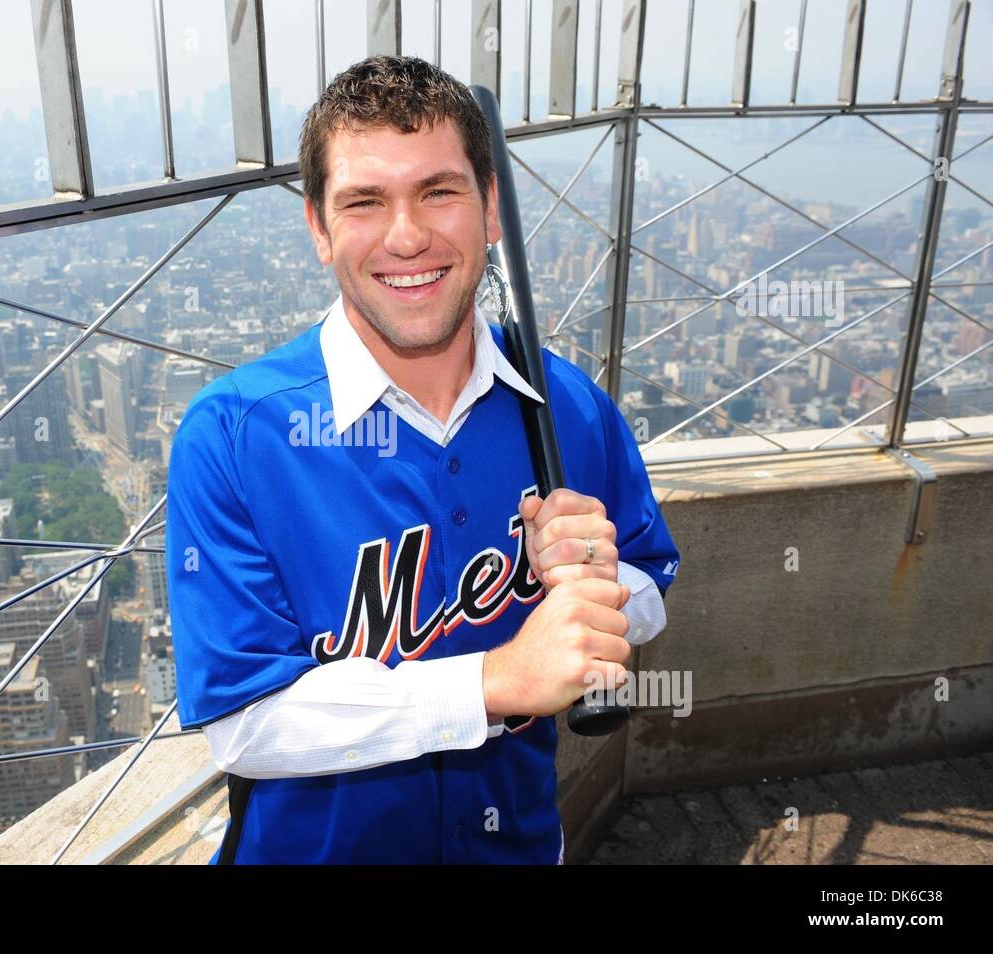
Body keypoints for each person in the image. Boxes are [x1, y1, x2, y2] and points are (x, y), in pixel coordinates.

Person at [165, 55, 679, 864]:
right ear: (318, 228)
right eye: (364, 202)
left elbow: (653, 582)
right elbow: (243, 723)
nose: (407, 236)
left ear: (490, 209)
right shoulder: (235, 438)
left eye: (439, 191)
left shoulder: (569, 407)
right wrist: (497, 680)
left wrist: (598, 583)